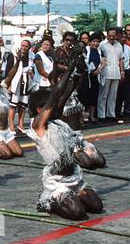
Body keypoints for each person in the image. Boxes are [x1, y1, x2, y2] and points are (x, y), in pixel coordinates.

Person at [31, 48, 103, 220]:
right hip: (57, 181)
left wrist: (77, 70)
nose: (57, 107)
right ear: (41, 110)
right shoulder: (38, 125)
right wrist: (67, 69)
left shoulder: (57, 120)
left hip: (74, 176)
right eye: (51, 106)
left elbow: (66, 92)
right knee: (78, 213)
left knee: (97, 207)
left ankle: (71, 197)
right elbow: (55, 95)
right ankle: (48, 201)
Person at [96, 28, 126, 123]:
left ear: (116, 35)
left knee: (113, 95)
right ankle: (101, 115)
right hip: (105, 72)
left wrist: (122, 71)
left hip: (116, 72)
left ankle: (111, 114)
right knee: (103, 95)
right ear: (107, 35)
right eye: (110, 35)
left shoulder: (119, 45)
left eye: (113, 35)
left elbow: (121, 59)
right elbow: (99, 58)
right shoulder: (102, 45)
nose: (112, 37)